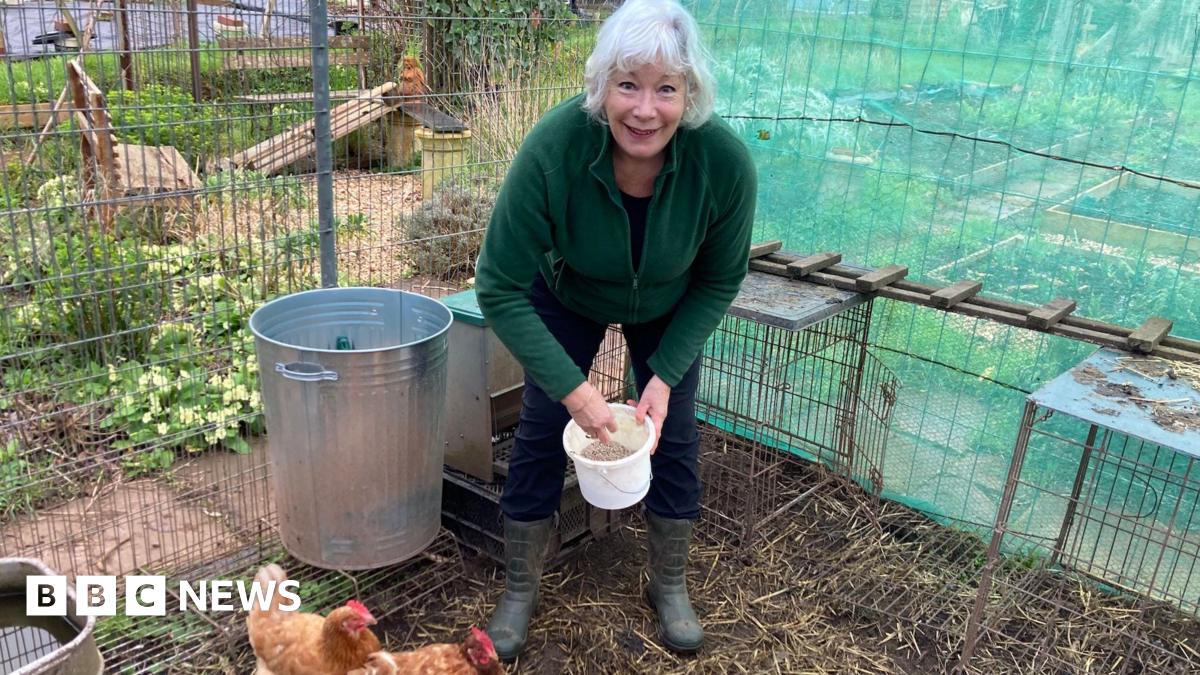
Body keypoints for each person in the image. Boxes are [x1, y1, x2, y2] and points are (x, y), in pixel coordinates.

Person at [474, 0, 756, 660]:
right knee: (545, 428)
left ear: (690, 94)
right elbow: (498, 285)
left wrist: (661, 376)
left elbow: (719, 279)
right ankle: (519, 589)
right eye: (627, 84)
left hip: (670, 297)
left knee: (675, 434)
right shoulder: (556, 147)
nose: (644, 109)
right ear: (601, 86)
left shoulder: (724, 163)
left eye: (666, 88)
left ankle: (671, 584)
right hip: (569, 288)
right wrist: (577, 393)